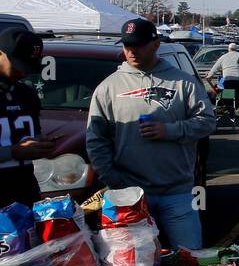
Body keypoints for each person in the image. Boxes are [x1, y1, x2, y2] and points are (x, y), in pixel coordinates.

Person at [85, 18, 216, 250]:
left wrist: (170, 130)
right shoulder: (108, 87)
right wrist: (114, 180)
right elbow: (96, 140)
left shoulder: (183, 83)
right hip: (129, 196)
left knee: (190, 260)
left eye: (138, 45)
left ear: (155, 45)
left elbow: (206, 122)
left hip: (177, 193)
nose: (131, 51)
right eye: (126, 46)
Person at [0, 29, 55, 207]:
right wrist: (14, 152)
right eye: (17, 64)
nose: (22, 72)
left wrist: (40, 144)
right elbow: (17, 148)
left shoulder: (26, 94)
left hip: (24, 193)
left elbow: (29, 136)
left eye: (27, 67)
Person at [206, 43, 239, 116]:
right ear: (236, 49)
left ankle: (230, 112)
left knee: (228, 96)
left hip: (228, 79)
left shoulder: (223, 57)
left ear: (228, 49)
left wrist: (209, 76)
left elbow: (215, 68)